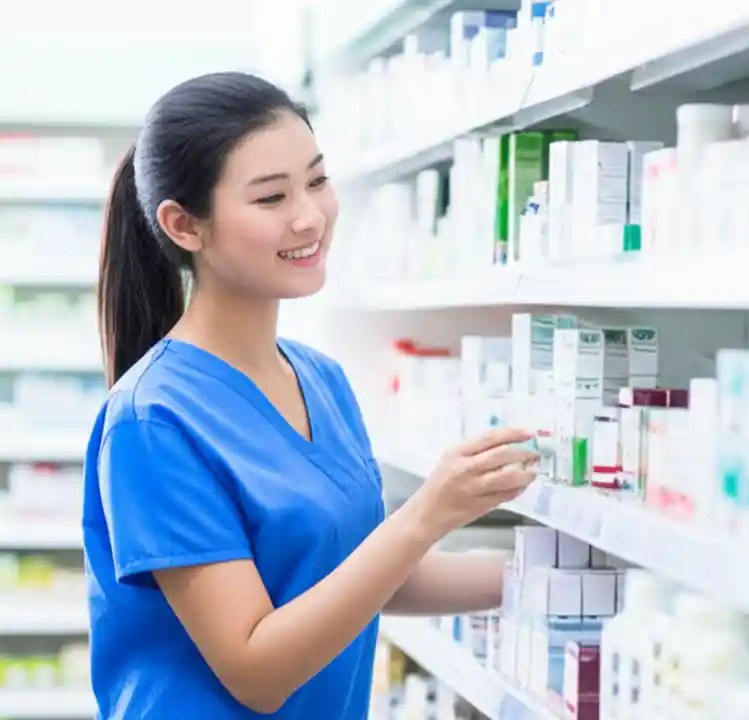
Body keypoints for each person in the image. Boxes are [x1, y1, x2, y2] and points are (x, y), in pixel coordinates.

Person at [82, 71, 537, 718]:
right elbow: (257, 672)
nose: (310, 216)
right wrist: (428, 513)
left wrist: (566, 581)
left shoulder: (320, 378)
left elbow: (367, 573)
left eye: (318, 181)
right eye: (271, 198)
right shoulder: (153, 421)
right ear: (185, 226)